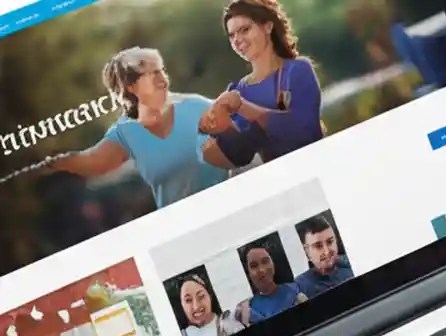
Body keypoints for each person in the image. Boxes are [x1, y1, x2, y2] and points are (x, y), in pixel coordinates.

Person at [45, 48, 229, 209]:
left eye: (161, 70)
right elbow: (95, 161)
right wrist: (54, 164)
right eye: (151, 74)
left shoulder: (196, 106)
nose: (162, 79)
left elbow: (237, 129)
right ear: (131, 86)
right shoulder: (125, 132)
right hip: (182, 223)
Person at [201, 0, 324, 168]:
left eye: (244, 30)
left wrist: (243, 107)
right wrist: (219, 127)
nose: (237, 40)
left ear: (268, 27)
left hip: (316, 168)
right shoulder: (237, 91)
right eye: (232, 35)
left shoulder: (297, 71)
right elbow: (240, 154)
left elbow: (306, 133)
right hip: (276, 180)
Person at [237, 241, 306, 325]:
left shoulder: (296, 289)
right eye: (254, 266)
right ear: (248, 273)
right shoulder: (247, 310)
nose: (261, 270)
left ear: (273, 264)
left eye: (265, 261)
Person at [177, 274, 244, 336]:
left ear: (210, 296)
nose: (196, 306)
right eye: (188, 300)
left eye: (201, 296)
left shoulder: (230, 323)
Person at [294, 215, 354, 298]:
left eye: (330, 242)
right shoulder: (299, 288)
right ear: (307, 251)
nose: (327, 251)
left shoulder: (353, 263)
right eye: (318, 246)